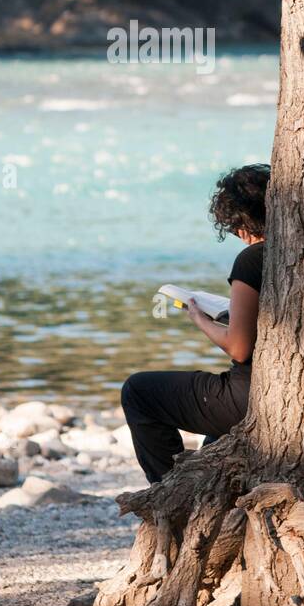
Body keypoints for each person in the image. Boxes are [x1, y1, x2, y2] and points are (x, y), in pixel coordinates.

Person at [121, 163, 269, 483]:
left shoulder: (252, 259)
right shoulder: (299, 252)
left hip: (248, 396)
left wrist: (200, 319)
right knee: (213, 443)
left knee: (138, 391)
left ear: (239, 221)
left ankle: (168, 490)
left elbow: (240, 348)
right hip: (272, 389)